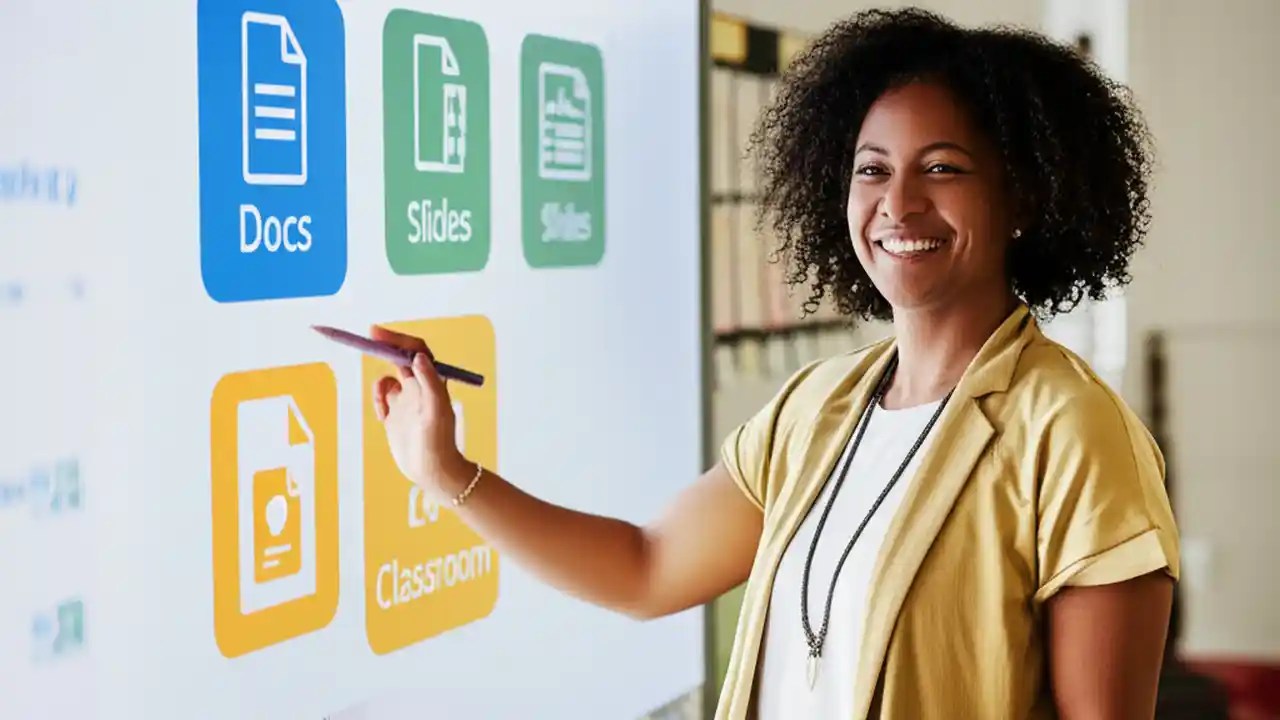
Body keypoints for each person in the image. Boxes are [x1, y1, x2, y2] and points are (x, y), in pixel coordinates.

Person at [369, 7, 1180, 719]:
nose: (898, 204)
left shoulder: (1072, 430)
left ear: (1024, 197)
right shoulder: (815, 409)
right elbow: (644, 569)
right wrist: (448, 474)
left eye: (942, 168)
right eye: (872, 169)